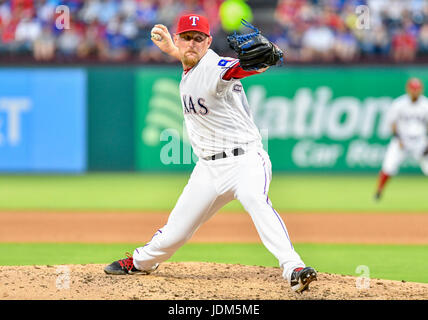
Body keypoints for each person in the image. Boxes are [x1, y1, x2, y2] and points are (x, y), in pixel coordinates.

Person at [104, 14, 317, 293]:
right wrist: (171, 49)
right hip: (208, 169)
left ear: (209, 42)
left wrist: (259, 64)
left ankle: (294, 268)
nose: (192, 43)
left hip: (245, 161)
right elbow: (188, 58)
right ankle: (141, 262)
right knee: (175, 232)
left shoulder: (214, 65)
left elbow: (235, 70)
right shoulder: (190, 63)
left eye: (199, 38)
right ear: (178, 39)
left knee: (257, 202)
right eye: (186, 37)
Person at [375, 77, 428, 200]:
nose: (415, 92)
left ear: (421, 90)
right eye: (413, 89)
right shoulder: (399, 104)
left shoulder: (426, 104)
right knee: (388, 166)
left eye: (417, 89)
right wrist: (398, 138)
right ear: (408, 89)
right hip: (402, 141)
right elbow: (392, 122)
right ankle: (379, 192)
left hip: (420, 141)